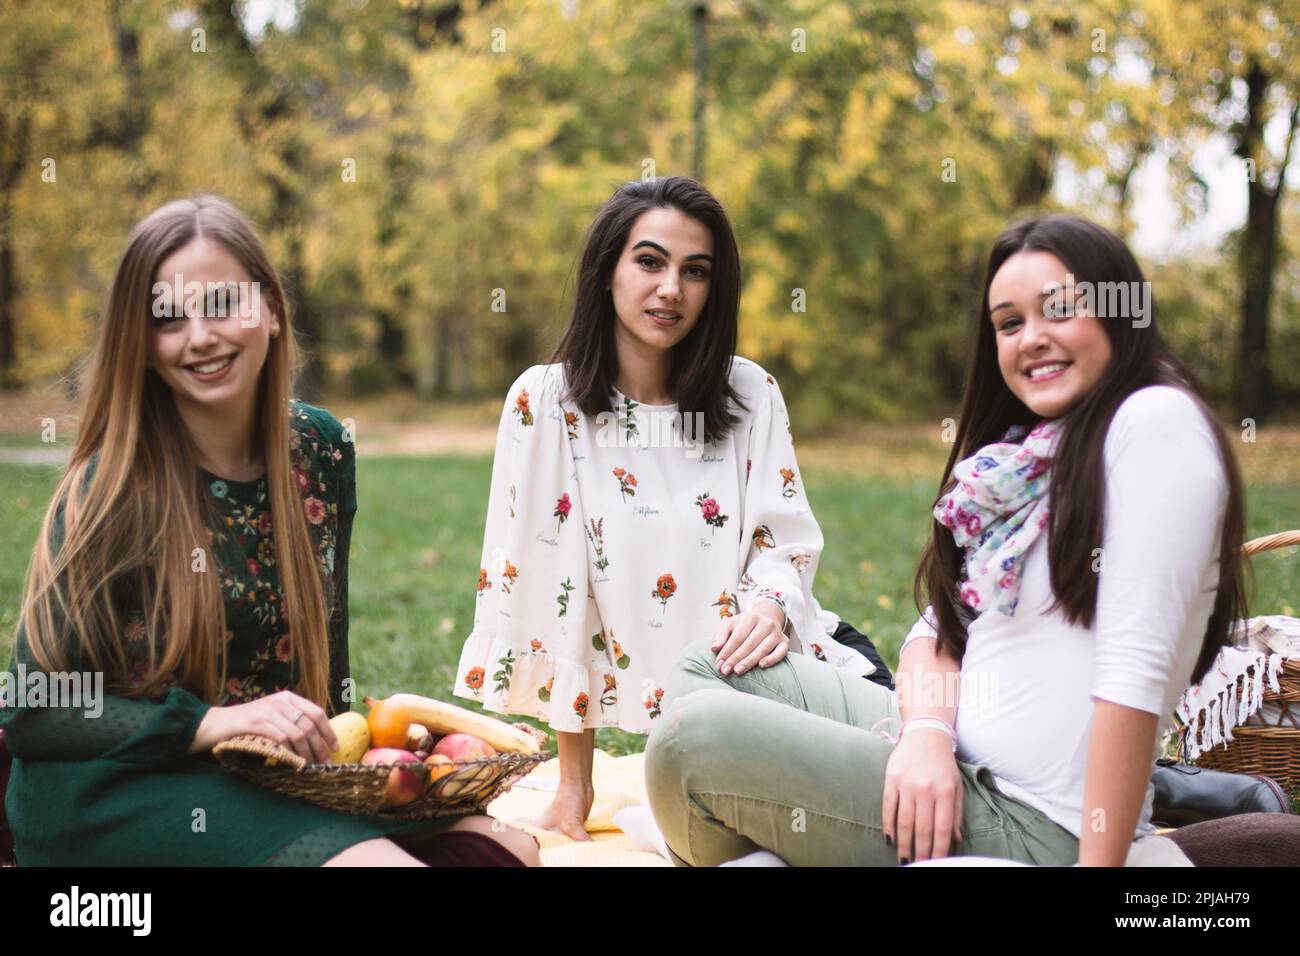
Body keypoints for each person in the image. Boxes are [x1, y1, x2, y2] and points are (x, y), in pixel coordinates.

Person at [644, 213, 1248, 867]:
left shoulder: (1154, 423)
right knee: (707, 670)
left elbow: (1135, 674)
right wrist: (927, 736)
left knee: (691, 739)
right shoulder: (1025, 465)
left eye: (1060, 310)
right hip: (951, 760)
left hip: (1040, 826)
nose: (1032, 339)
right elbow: (939, 633)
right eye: (1010, 323)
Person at [0, 196, 538, 867]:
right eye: (167, 317)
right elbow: (29, 706)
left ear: (273, 310)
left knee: (503, 848)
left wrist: (365, 761)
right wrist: (205, 723)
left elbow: (324, 664)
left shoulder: (323, 447)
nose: (199, 335)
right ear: (141, 344)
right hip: (117, 788)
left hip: (266, 774)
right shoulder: (111, 489)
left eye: (223, 303)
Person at [452, 176, 893, 841]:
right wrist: (574, 790)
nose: (671, 289)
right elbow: (561, 603)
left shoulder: (750, 393)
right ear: (607, 272)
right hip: (706, 741)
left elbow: (784, 543)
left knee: (925, 800)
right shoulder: (547, 405)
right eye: (650, 262)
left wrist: (771, 606)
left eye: (696, 271)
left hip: (789, 683)